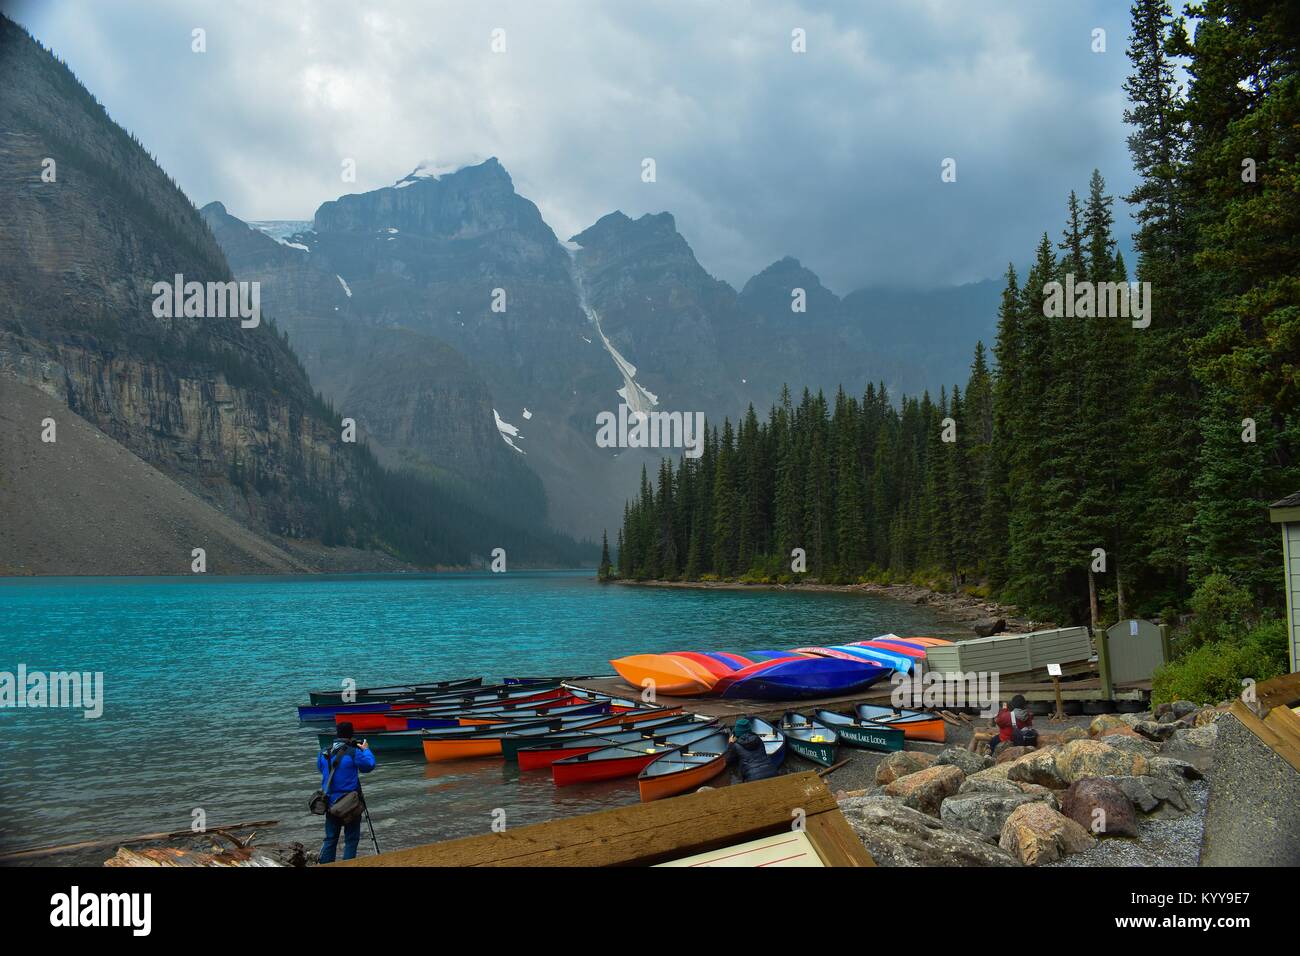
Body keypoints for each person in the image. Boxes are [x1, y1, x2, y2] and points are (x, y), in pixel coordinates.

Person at [317, 721, 376, 863]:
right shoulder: (353, 752)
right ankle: (348, 863)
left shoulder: (324, 751)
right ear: (351, 735)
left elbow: (321, 769)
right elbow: (369, 766)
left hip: (330, 802)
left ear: (337, 734)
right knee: (351, 838)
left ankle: (326, 864)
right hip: (350, 802)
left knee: (331, 838)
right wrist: (366, 750)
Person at [725, 716, 777, 783]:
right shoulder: (758, 739)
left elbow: (728, 760)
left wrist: (731, 744)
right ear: (750, 730)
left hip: (753, 777)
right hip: (772, 771)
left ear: (736, 733)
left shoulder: (735, 746)